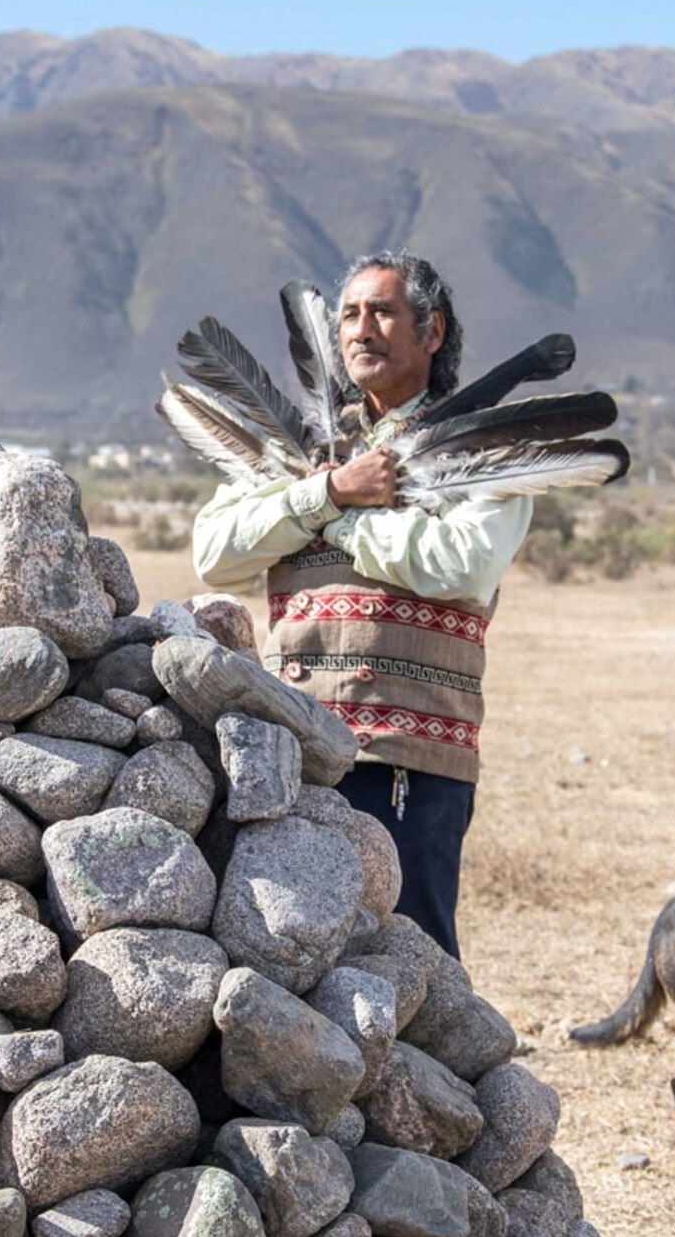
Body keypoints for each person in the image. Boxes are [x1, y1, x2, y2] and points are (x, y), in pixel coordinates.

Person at [188, 251, 532, 956]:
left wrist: (335, 519)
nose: (361, 329)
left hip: (406, 757)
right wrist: (328, 491)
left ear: (432, 331)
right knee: (292, 955)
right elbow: (216, 553)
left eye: (382, 312)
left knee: (411, 956)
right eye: (348, 314)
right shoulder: (300, 445)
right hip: (293, 749)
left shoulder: (482, 450)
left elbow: (460, 565)